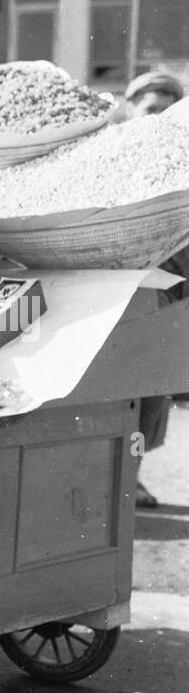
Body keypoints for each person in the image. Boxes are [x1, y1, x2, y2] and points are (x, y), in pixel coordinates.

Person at [125, 71, 185, 508]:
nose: (160, 115)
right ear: (132, 109)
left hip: (175, 282)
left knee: (154, 388)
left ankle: (133, 476)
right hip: (127, 283)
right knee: (123, 385)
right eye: (151, 107)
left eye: (170, 107)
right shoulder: (116, 153)